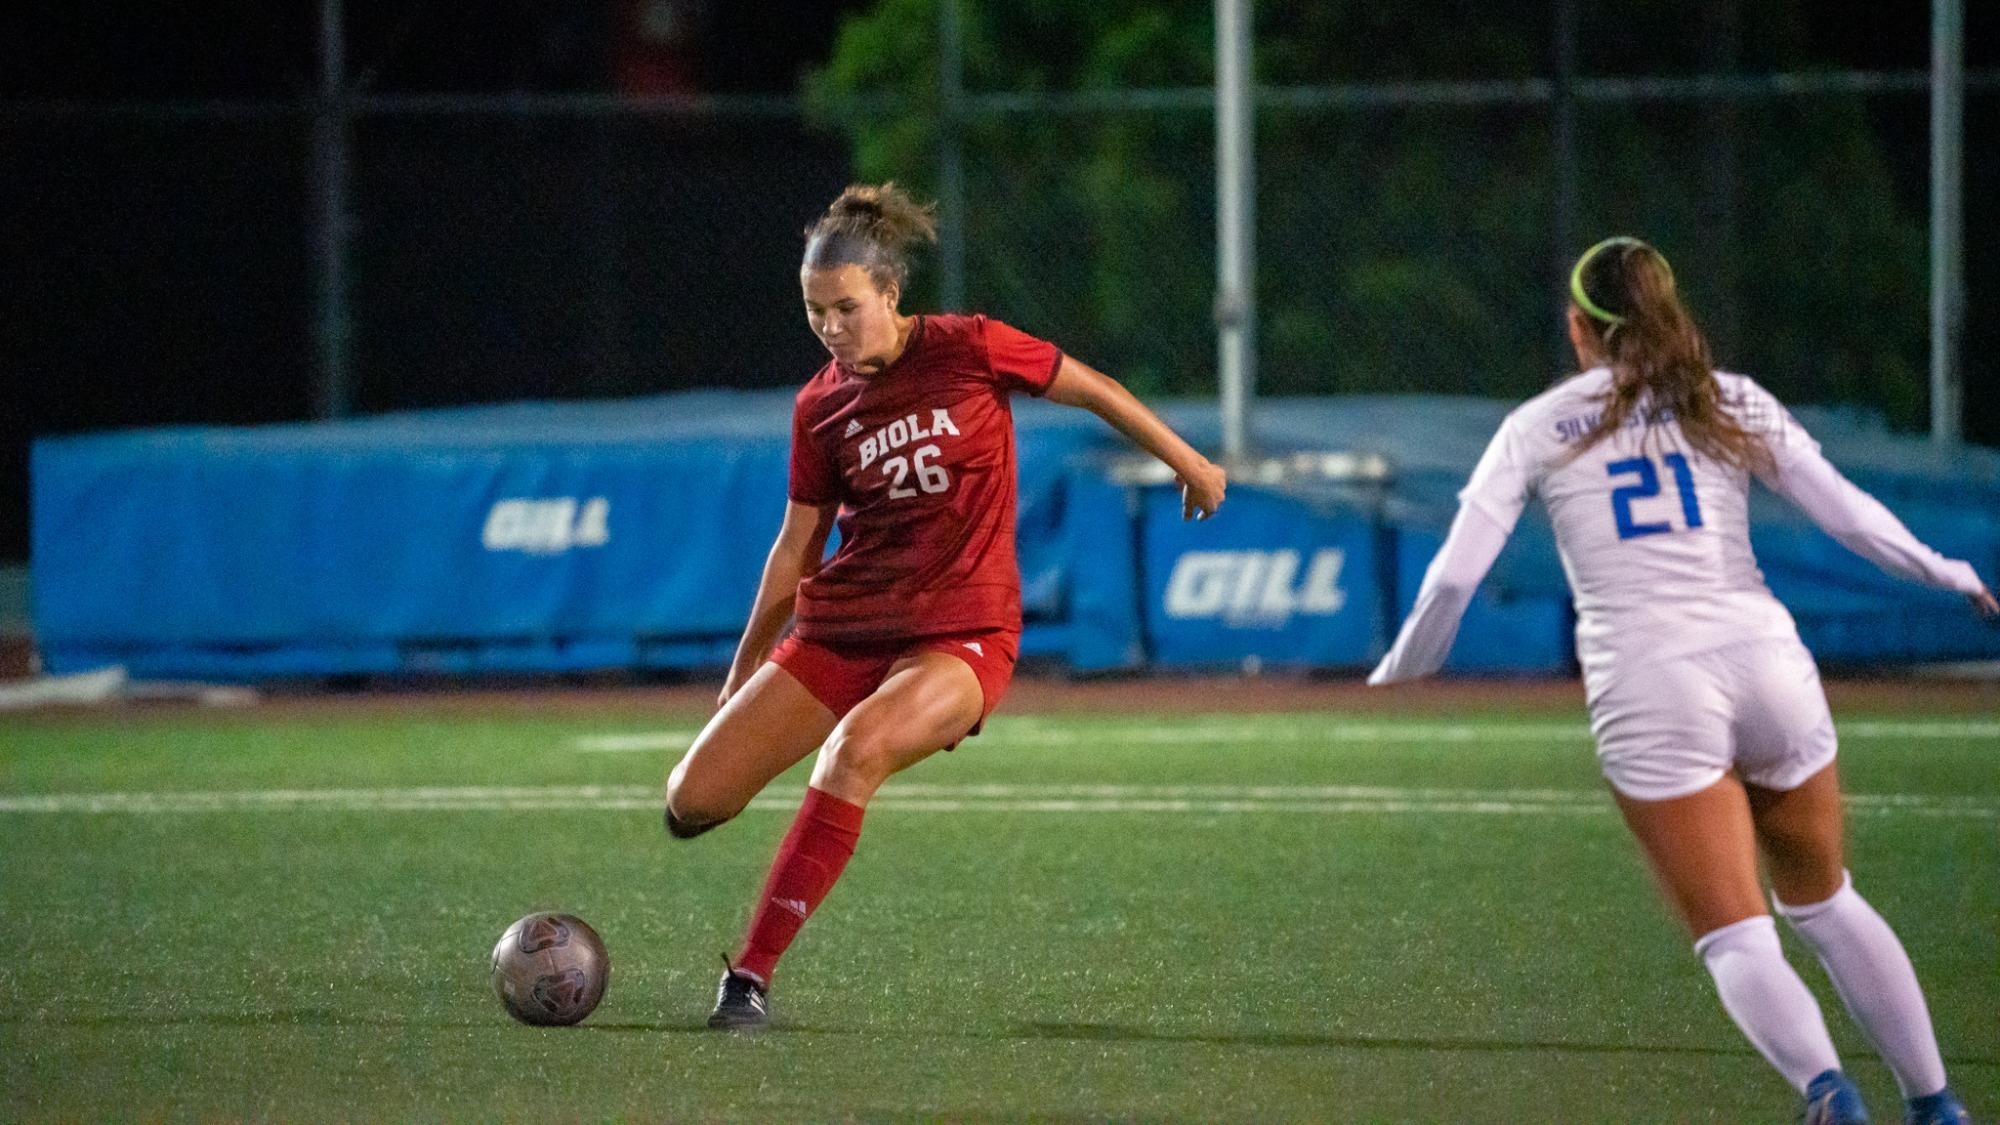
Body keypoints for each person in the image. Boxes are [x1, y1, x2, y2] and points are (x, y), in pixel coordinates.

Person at [1368, 236, 1994, 1125]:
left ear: (1579, 327)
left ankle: (1829, 1095)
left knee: (1737, 931)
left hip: (1652, 682)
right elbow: (1850, 515)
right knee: (1826, 898)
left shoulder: (1538, 425)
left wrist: (1403, 668)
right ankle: (1936, 1105)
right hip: (1767, 659)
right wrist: (1950, 571)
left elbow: (1458, 577)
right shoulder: (1728, 397)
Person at [662, 182, 1228, 1030]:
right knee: (690, 801)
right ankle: (742, 858)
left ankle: (749, 978)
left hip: (961, 633)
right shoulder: (819, 406)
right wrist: (746, 668)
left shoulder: (970, 347)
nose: (829, 326)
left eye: (845, 307)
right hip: (845, 627)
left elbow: (1096, 388)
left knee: (856, 750)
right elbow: (797, 544)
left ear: (890, 294)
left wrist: (1192, 462)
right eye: (815, 311)